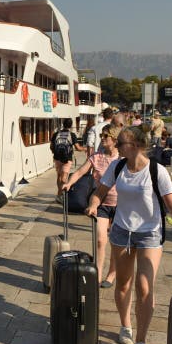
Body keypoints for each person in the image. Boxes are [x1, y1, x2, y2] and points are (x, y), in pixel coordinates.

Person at [85, 126, 172, 344]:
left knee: (144, 286)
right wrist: (93, 205)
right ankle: (126, 327)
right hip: (122, 231)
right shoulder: (118, 166)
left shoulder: (157, 171)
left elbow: (171, 202)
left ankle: (141, 343)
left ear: (134, 145)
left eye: (120, 142)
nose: (115, 146)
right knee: (123, 284)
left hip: (150, 233)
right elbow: (99, 192)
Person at [62, 123, 120, 287]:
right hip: (100, 202)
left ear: (114, 139)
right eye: (101, 136)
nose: (101, 139)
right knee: (101, 240)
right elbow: (80, 172)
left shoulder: (122, 159)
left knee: (115, 242)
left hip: (120, 205)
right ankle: (98, 273)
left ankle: (111, 275)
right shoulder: (96, 157)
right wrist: (68, 183)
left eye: (105, 136)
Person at [50, 118, 85, 203]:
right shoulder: (72, 135)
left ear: (63, 124)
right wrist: (85, 149)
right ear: (71, 125)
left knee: (59, 176)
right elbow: (78, 148)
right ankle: (61, 195)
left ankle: (59, 195)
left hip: (57, 157)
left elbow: (51, 146)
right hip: (67, 159)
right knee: (64, 177)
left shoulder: (56, 134)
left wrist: (55, 152)